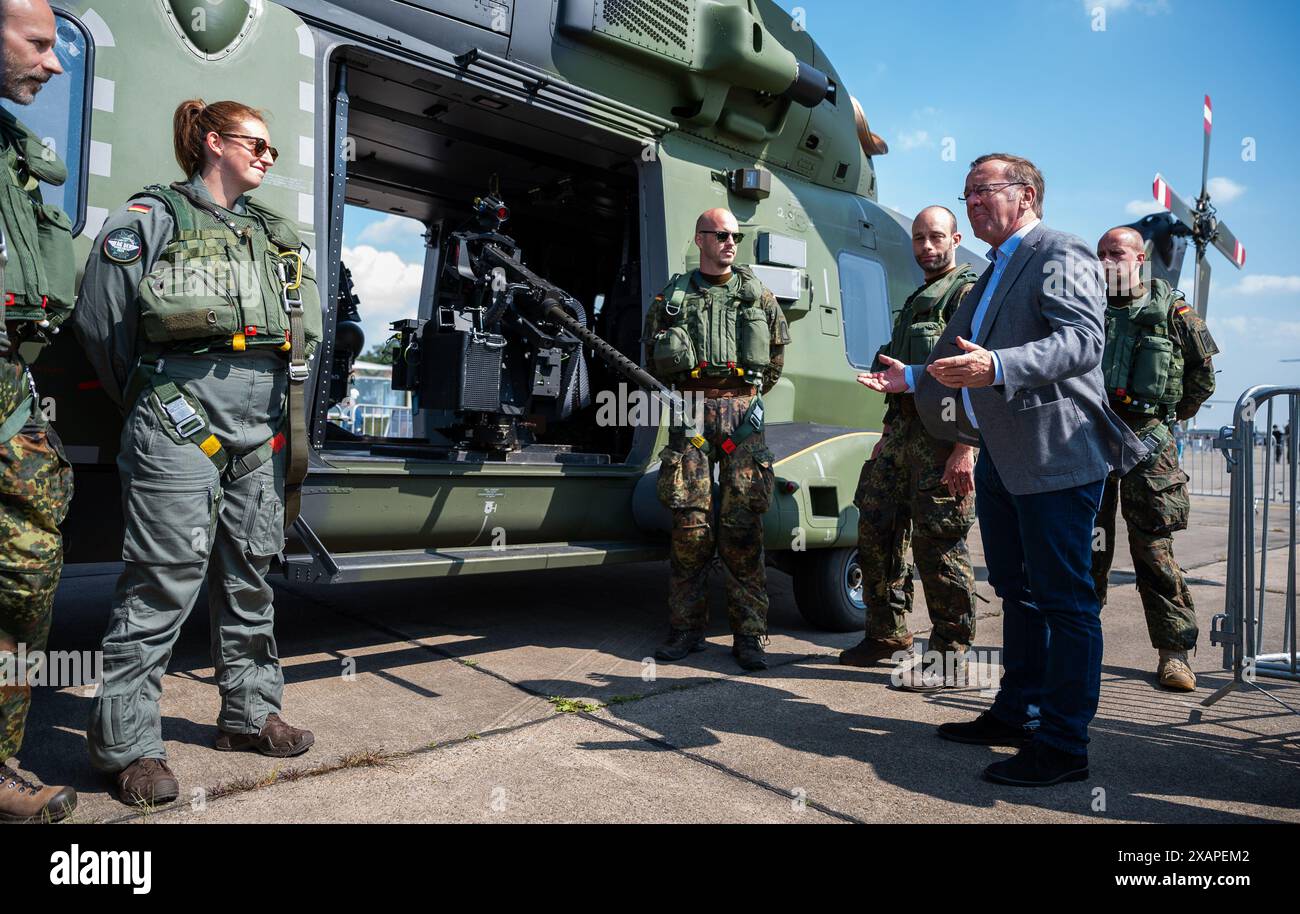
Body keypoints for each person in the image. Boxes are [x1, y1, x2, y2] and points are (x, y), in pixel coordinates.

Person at [860, 153, 1145, 786]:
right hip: (1002, 455)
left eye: (982, 192)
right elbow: (953, 354)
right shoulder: (994, 268)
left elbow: (1081, 344)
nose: (972, 204)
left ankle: (1065, 743)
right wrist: (908, 377)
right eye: (967, 195)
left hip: (1055, 454)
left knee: (1066, 603)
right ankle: (1017, 711)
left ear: (1026, 194)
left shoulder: (1059, 251)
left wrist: (997, 367)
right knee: (1017, 593)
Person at [75, 99, 322, 807]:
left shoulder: (275, 236)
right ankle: (127, 748)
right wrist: (155, 401)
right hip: (178, 421)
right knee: (163, 582)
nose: (268, 157)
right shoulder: (149, 219)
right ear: (213, 143)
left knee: (251, 575)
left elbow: (309, 326)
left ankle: (249, 713)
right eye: (256, 144)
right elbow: (102, 321)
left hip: (261, 432)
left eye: (273, 149)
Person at [840, 206, 980, 691]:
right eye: (919, 238)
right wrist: (885, 435)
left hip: (942, 442)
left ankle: (951, 651)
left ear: (955, 239)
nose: (925, 246)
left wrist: (967, 448)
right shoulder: (919, 297)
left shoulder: (967, 294)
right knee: (875, 530)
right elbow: (901, 381)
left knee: (938, 546)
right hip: (901, 438)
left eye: (935, 237)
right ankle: (887, 632)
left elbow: (976, 378)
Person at [644, 208, 790, 671]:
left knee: (743, 528)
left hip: (744, 415)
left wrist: (741, 398)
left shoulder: (759, 297)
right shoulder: (671, 298)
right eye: (722, 235)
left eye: (736, 235)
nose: (731, 242)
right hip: (689, 415)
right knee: (690, 529)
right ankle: (686, 629)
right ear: (700, 238)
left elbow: (776, 358)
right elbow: (652, 358)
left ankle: (749, 634)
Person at [0, 0, 79, 823]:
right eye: (38, 42)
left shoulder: (16, 157)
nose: (54, 64)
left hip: (10, 389)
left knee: (26, 579)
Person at [1091, 226, 1217, 692]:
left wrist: (1164, 420)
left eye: (1116, 253)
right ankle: (1078, 649)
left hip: (1149, 441)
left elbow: (1202, 380)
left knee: (1154, 552)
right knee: (1088, 548)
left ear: (1139, 258)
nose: (1107, 261)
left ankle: (1175, 654)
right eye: (1100, 253)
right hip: (1093, 442)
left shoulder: (1173, 311)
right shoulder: (1087, 308)